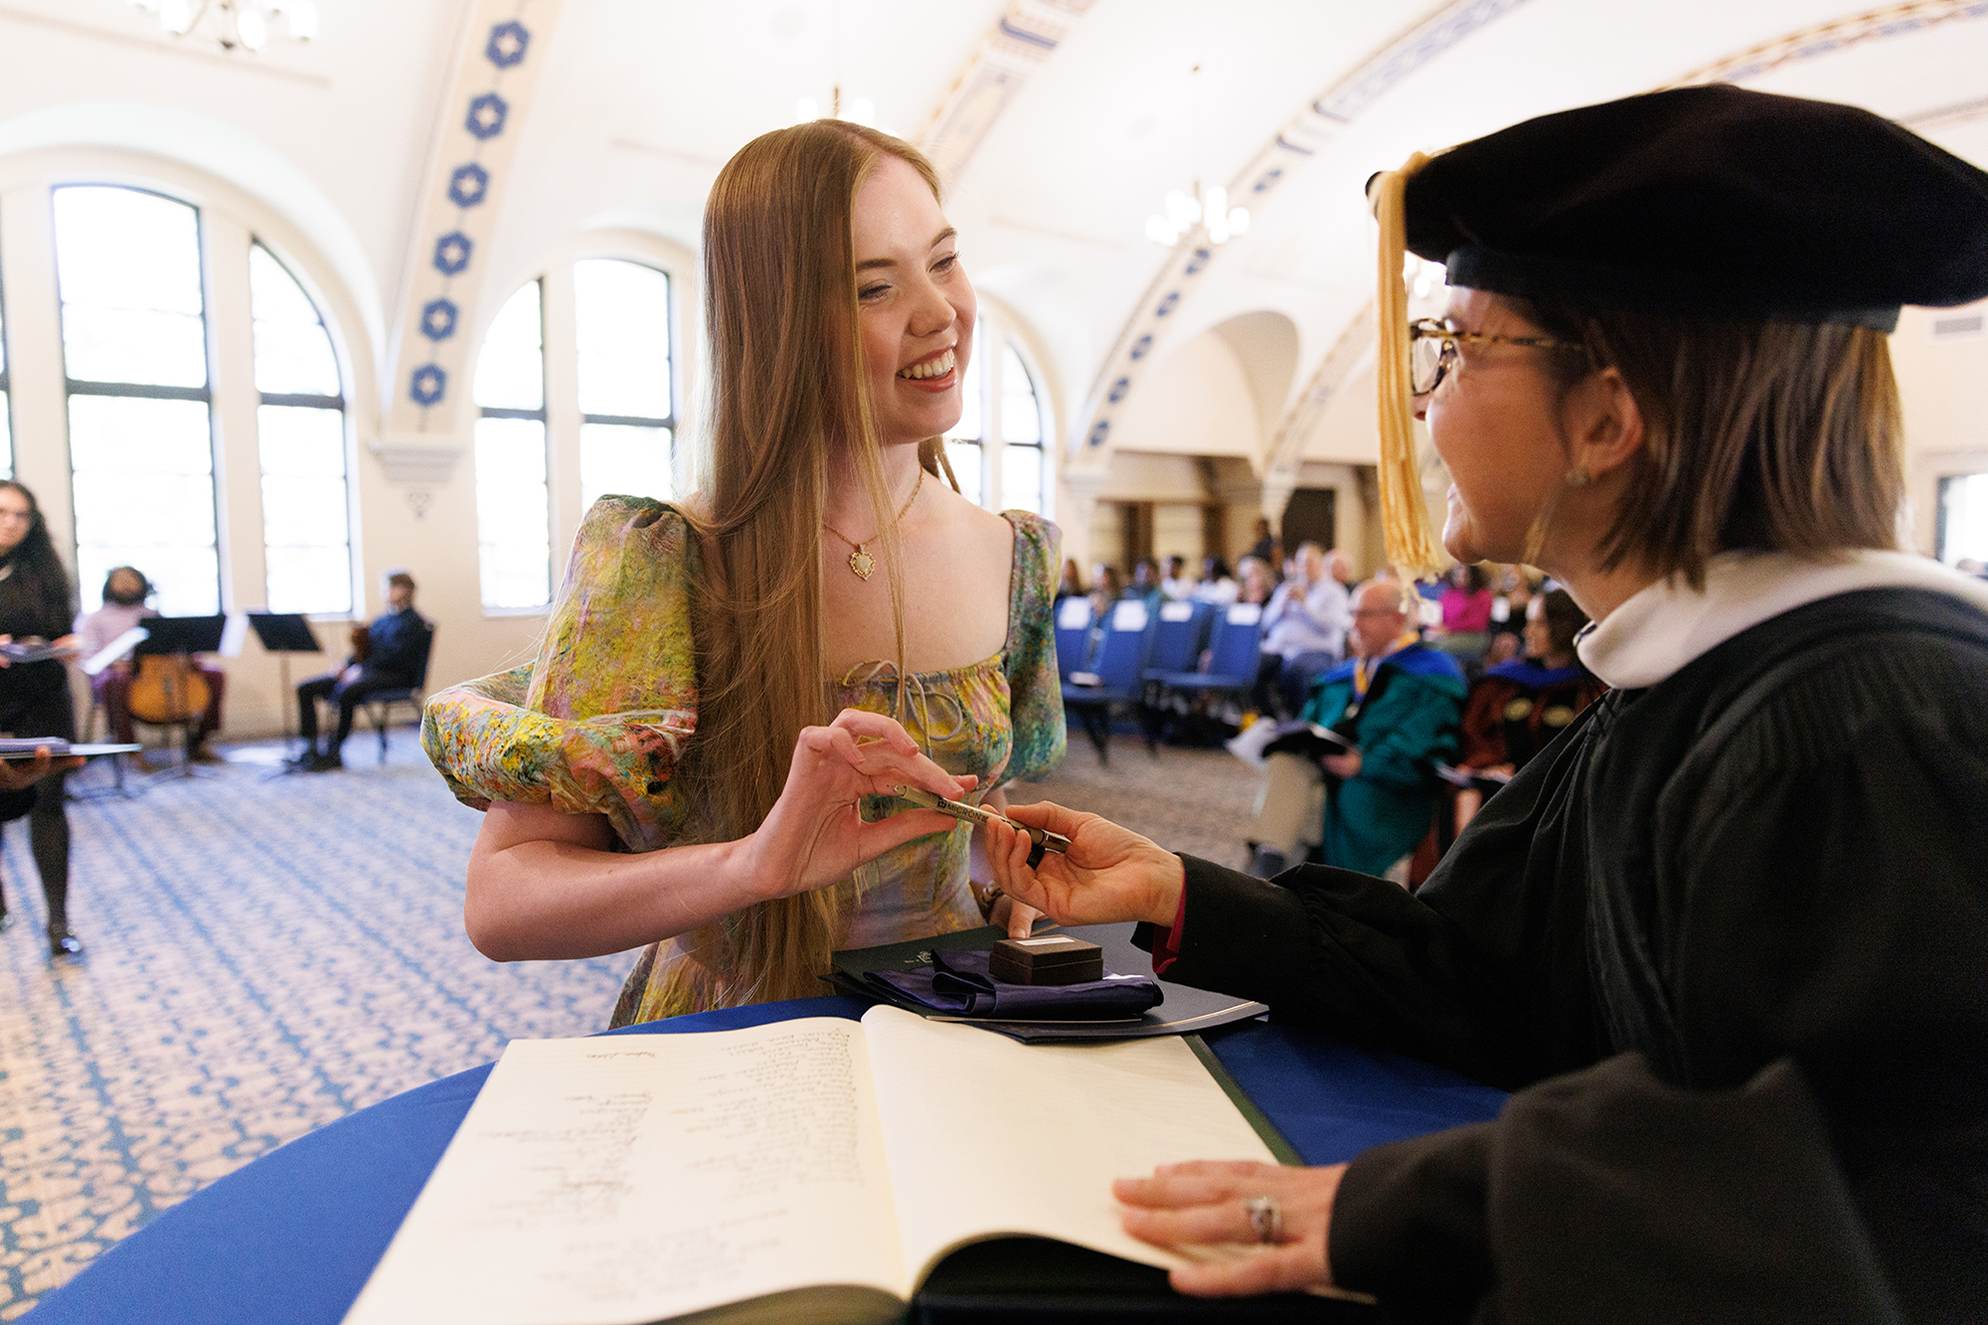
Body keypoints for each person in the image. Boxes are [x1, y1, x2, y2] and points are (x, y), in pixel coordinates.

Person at [979, 87, 1988, 1321]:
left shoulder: (1861, 727)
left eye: (1455, 348)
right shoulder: (1700, 679)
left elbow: (1858, 1205)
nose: (1420, 399)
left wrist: (1417, 1204)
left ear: (1607, 418)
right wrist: (1180, 893)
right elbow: (1481, 975)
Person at [422, 120, 1064, 1023]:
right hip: (740, 1038)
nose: (939, 312)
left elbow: (971, 804)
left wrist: (1010, 875)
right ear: (781, 325)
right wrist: (752, 865)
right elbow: (504, 903)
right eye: (875, 286)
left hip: (955, 1025)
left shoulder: (1015, 555)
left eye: (945, 260)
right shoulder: (664, 560)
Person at [1241, 579, 1463, 879]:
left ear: (1396, 618)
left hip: (1386, 786)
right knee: (1286, 763)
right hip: (1327, 772)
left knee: (1300, 809)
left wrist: (1363, 763)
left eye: (1363, 615)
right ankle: (1269, 867)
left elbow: (1423, 742)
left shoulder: (1432, 674)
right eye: (1353, 614)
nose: (1353, 624)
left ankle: (1270, 876)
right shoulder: (1346, 673)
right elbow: (1309, 723)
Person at [0, 481, 87, 958]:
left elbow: (62, 631)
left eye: (21, 515)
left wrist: (64, 644)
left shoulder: (45, 571)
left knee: (48, 802)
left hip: (42, 697)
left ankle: (58, 921)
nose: (11, 522)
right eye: (2, 512)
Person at [1451, 587, 1604, 832]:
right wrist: (1490, 764)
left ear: (1565, 625)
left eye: (1539, 624)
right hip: (1501, 786)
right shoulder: (1504, 684)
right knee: (1468, 795)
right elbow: (1478, 736)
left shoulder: (1596, 688)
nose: (1527, 632)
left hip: (1561, 795)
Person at [74, 566, 227, 760]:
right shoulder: (94, 618)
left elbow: (171, 645)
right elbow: (87, 657)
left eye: (131, 579)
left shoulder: (152, 615)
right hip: (120, 672)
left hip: (155, 670)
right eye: (120, 580)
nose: (126, 584)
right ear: (109, 585)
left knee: (214, 674)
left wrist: (188, 656)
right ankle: (130, 750)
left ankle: (199, 743)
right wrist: (113, 663)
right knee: (113, 682)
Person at [292, 570, 431, 771]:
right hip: (368, 672)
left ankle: (334, 751)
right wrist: (345, 666)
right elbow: (364, 651)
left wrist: (360, 669)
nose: (385, 592)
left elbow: (396, 659)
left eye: (390, 587)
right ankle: (309, 748)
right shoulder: (383, 620)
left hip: (395, 676)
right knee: (306, 688)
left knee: (346, 691)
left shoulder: (414, 623)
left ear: (404, 590)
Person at [1251, 541, 1350, 717]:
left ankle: (1302, 721)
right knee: (1250, 664)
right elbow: (1265, 623)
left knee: (1297, 669)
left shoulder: (1334, 592)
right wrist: (1281, 606)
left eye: (1309, 562)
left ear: (1321, 564)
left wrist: (1305, 604)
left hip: (1316, 650)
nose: (1304, 567)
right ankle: (1272, 718)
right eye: (1301, 562)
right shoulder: (1285, 589)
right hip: (1280, 649)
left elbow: (1328, 627)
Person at [1428, 562, 1494, 664]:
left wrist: (1449, 629)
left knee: (1439, 650)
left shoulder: (1483, 595)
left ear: (1473, 575)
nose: (1460, 576)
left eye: (1464, 573)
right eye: (1457, 572)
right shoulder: (1448, 594)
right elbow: (1441, 618)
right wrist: (1435, 628)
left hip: (1474, 637)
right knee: (1422, 647)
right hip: (1448, 635)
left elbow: (1477, 623)